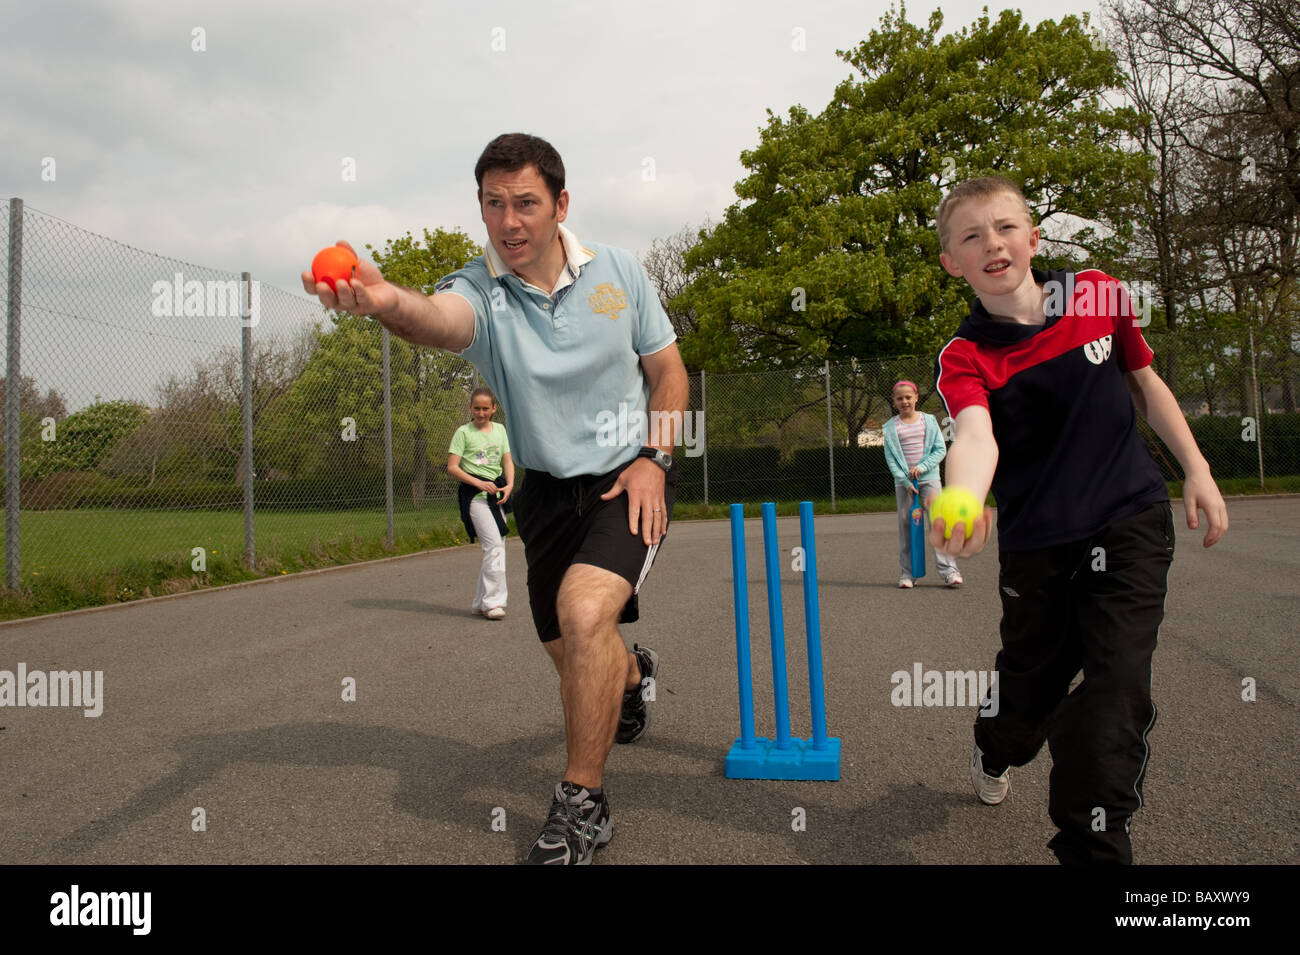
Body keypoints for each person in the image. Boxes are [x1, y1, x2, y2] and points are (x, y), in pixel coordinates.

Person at [302, 133, 687, 865]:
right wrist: (385, 301)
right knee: (573, 648)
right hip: (541, 493)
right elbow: (437, 319)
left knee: (582, 616)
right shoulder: (480, 286)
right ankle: (634, 674)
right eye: (493, 203)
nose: (508, 221)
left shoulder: (621, 274)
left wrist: (655, 460)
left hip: (623, 481)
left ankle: (583, 807)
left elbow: (667, 370)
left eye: (526, 203)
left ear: (560, 204)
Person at [930, 175, 1228, 864]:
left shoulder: (1096, 291)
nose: (992, 243)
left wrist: (1198, 468)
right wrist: (965, 497)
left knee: (1116, 684)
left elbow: (1143, 380)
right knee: (1025, 699)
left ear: (1034, 238)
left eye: (1005, 227)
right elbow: (976, 437)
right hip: (1040, 548)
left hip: (1130, 520)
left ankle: (1092, 847)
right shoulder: (965, 356)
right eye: (971, 236)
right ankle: (995, 742)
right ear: (953, 262)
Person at [882, 379, 962, 589]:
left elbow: (939, 450)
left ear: (916, 397)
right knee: (906, 527)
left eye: (908, 397)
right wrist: (905, 481)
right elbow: (891, 460)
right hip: (905, 486)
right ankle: (908, 574)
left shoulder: (928, 420)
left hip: (930, 480)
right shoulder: (890, 428)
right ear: (894, 401)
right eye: (900, 398)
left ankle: (949, 571)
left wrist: (922, 467)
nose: (905, 401)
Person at [447, 386, 514, 620]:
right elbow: (453, 467)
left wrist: (509, 485)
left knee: (496, 546)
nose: (481, 412)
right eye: (477, 408)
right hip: (475, 496)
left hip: (497, 493)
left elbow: (507, 460)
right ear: (470, 408)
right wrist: (478, 483)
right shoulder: (463, 433)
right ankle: (494, 602)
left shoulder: (500, 430)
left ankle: (480, 601)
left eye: (486, 408)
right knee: (494, 545)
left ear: (494, 408)